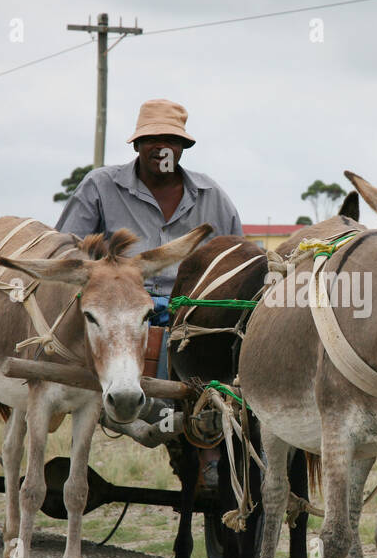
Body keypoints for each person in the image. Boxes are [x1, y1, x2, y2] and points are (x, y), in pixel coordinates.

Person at [55, 99, 241, 491]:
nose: (162, 149)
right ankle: (134, 409)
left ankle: (208, 434)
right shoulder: (101, 187)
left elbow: (235, 259)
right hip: (117, 304)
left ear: (183, 148)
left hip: (191, 308)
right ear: (137, 146)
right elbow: (67, 248)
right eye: (152, 140)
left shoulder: (212, 196)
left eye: (171, 140)